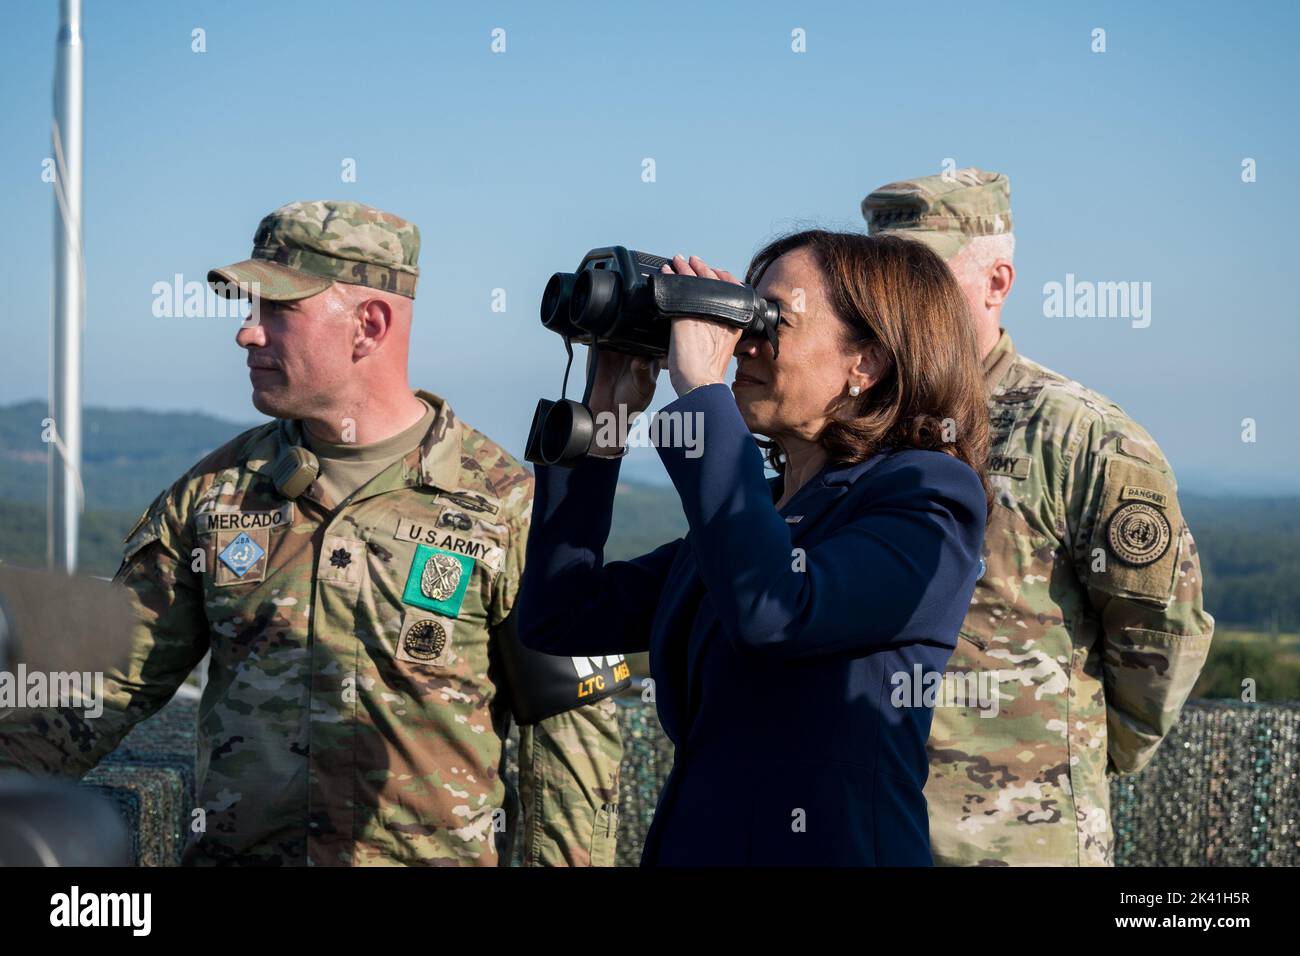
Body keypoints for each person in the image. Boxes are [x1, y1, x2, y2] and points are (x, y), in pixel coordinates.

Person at [0, 200, 626, 866]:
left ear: (368, 325)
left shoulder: (506, 509)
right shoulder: (212, 496)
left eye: (277, 309)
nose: (247, 333)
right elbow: (99, 690)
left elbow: (570, 750)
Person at [518, 235, 989, 865]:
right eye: (744, 316)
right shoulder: (760, 511)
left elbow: (774, 610)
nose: (741, 342)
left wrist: (701, 393)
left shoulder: (930, 495)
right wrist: (605, 418)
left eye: (771, 320)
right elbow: (562, 615)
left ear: (866, 363)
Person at [862, 168, 1215, 866]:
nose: (899, 300)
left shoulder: (1082, 436)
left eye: (924, 276)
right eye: (883, 279)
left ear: (997, 282)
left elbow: (1160, 636)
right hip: (869, 830)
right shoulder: (856, 423)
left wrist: (1071, 760)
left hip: (1021, 840)